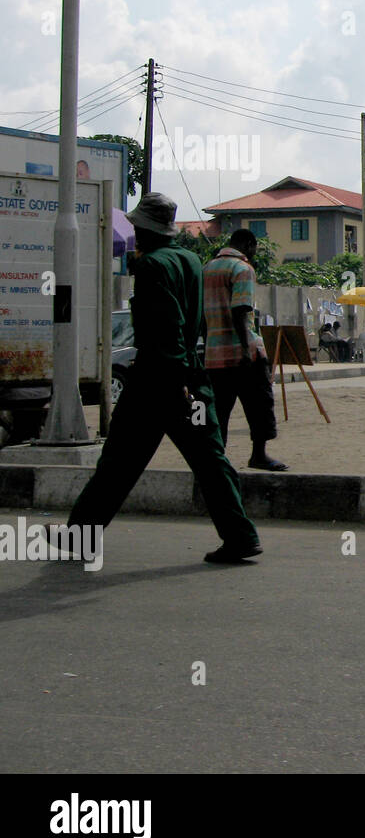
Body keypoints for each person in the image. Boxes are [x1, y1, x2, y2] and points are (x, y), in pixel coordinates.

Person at [61, 192, 262, 564]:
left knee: (118, 463)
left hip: (156, 382)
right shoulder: (189, 260)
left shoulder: (152, 266)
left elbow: (166, 326)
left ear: (145, 228)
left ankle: (80, 538)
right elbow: (193, 321)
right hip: (192, 377)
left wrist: (173, 382)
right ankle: (240, 535)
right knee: (210, 460)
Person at [203, 228, 287, 472]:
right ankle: (258, 455)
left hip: (214, 354)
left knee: (219, 411)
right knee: (260, 404)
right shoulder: (243, 269)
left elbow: (200, 315)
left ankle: (217, 457)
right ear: (249, 245)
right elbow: (240, 310)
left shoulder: (207, 269)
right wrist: (245, 348)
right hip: (243, 352)